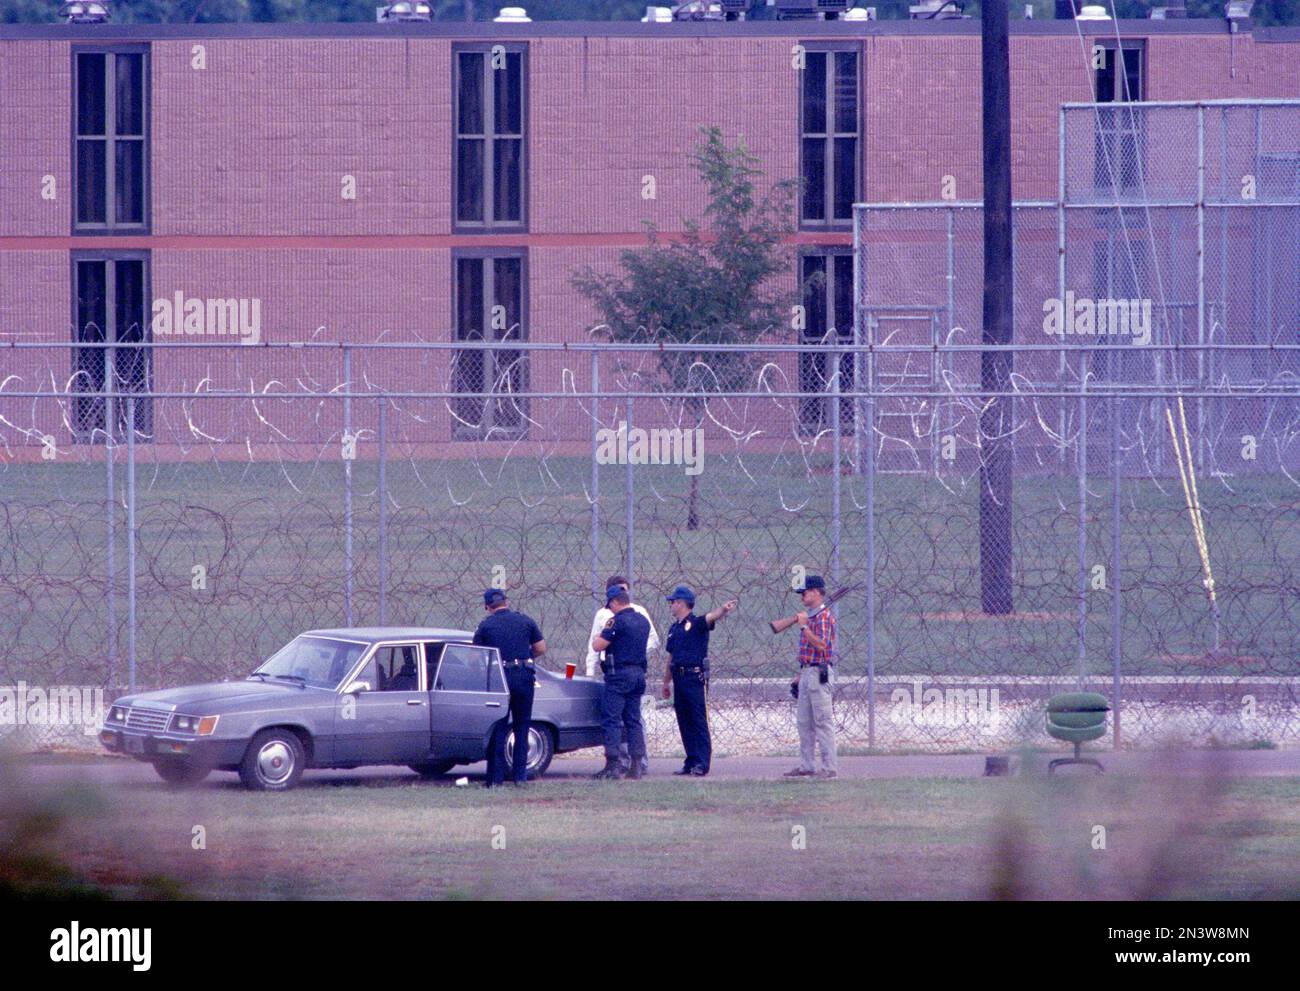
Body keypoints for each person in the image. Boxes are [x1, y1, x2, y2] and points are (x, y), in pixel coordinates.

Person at [585, 575, 659, 774]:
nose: (610, 609)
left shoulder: (614, 621)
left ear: (616, 602)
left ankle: (612, 765)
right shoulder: (642, 620)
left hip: (618, 676)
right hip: (638, 674)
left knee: (612, 720)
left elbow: (598, 645)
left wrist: (601, 638)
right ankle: (636, 765)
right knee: (633, 720)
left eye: (611, 605)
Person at [473, 588, 546, 788]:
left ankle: (496, 780)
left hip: (500, 679)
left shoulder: (486, 626)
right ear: (506, 601)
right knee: (522, 727)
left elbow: (475, 655)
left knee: (499, 726)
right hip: (524, 676)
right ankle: (520, 777)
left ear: (487, 606)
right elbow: (540, 648)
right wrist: (524, 657)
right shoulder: (525, 621)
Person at [661, 585, 736, 777]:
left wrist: (723, 609)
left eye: (674, 602)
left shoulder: (696, 623)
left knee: (698, 720)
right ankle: (691, 759)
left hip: (695, 678)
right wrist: (665, 682)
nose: (671, 605)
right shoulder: (674, 628)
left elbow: (712, 617)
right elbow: (670, 657)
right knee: (684, 721)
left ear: (682, 603)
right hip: (678, 676)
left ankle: (702, 762)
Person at [783, 575, 838, 780]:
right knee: (804, 722)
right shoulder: (813, 615)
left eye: (804, 593)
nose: (802, 597)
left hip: (818, 673)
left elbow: (822, 645)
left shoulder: (822, 617)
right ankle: (807, 765)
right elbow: (809, 650)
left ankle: (829, 768)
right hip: (808, 671)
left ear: (816, 592)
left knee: (823, 722)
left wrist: (804, 627)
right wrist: (800, 674)